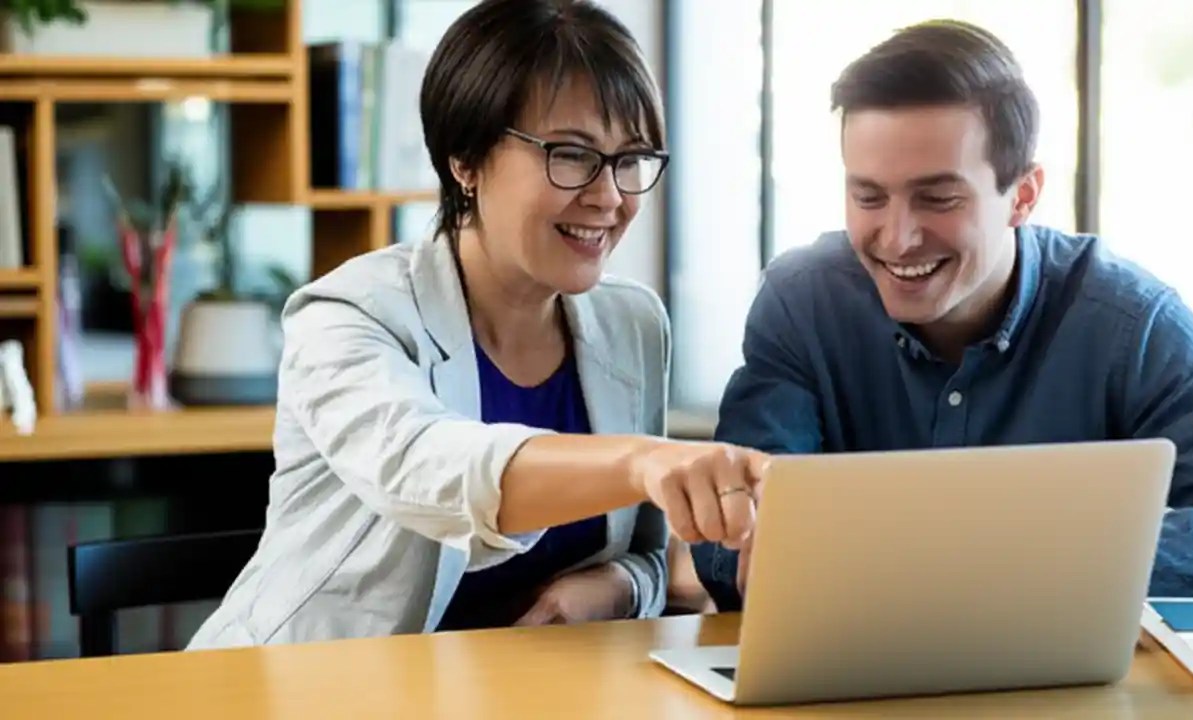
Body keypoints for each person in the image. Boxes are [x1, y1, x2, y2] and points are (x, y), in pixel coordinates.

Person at [189, 0, 766, 649]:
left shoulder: (632, 323)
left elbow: (646, 559)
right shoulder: (350, 313)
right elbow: (432, 469)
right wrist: (643, 461)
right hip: (308, 690)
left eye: (630, 159)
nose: (609, 197)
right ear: (464, 158)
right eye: (572, 155)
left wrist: (617, 587)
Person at [693, 19, 1193, 612]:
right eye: (868, 197)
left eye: (938, 199)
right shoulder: (801, 302)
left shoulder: (1128, 321)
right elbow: (724, 540)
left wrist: (1040, 562)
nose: (898, 239)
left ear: (1022, 195)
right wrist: (751, 535)